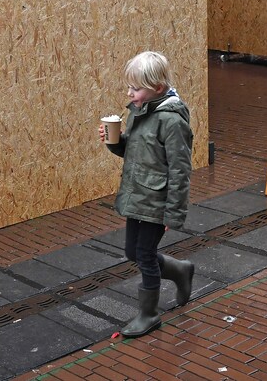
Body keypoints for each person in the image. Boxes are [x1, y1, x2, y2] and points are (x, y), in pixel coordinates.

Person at [99, 51, 195, 337]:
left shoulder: (172, 122)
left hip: (157, 201)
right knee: (133, 252)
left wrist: (172, 213)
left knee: (144, 253)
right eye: (129, 86)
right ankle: (179, 270)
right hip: (137, 196)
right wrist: (114, 142)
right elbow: (134, 151)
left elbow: (180, 171)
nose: (130, 93)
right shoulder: (139, 111)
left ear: (158, 88)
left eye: (136, 88)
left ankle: (149, 313)